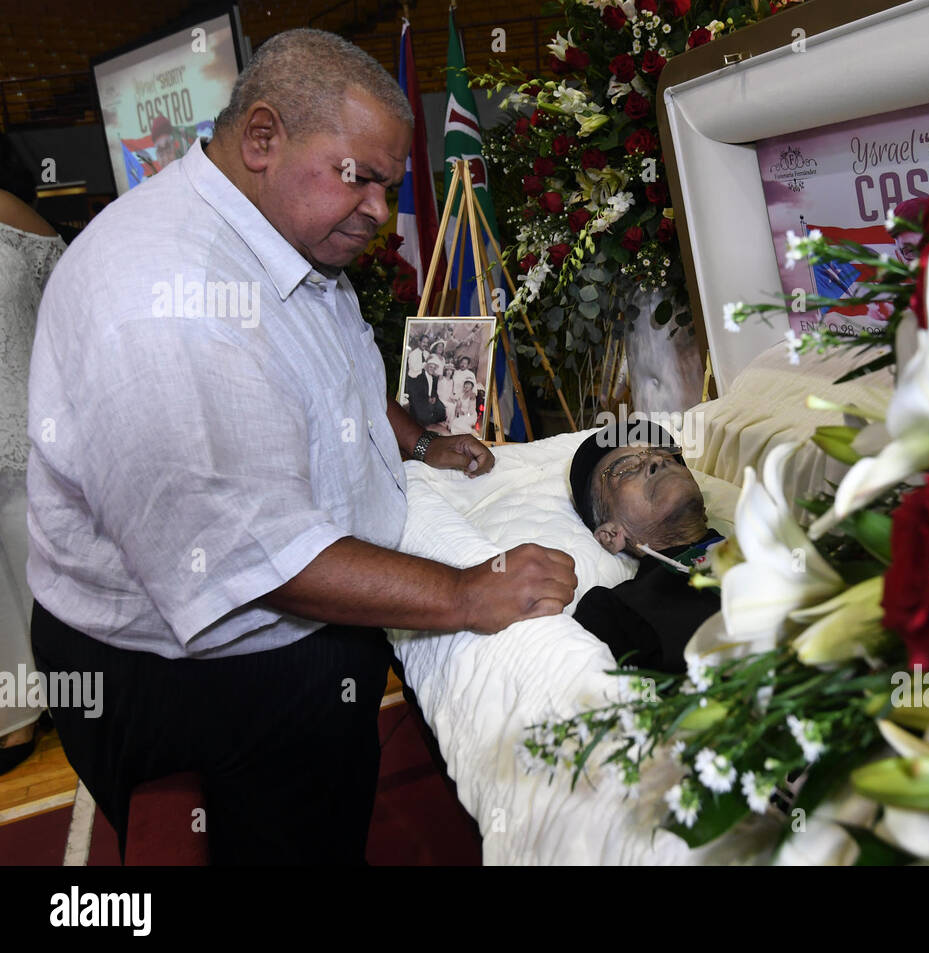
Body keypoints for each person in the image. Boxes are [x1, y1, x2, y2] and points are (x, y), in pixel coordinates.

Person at [25, 29, 576, 863]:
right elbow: (256, 558)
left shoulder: (278, 223)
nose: (380, 213)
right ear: (261, 138)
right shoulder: (167, 307)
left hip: (295, 627)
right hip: (195, 672)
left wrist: (416, 440)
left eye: (389, 187)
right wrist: (469, 591)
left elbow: (331, 371)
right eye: (361, 179)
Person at [0, 135, 66, 774]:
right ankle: (13, 717)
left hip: (22, 424)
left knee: (30, 565)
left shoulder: (13, 215)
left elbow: (66, 291)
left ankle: (58, 702)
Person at [568, 421, 723, 674]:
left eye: (665, 455)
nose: (658, 461)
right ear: (611, 534)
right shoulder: (616, 613)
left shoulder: (778, 542)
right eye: (627, 468)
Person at [407, 355, 447, 428]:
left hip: (430, 397)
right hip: (421, 397)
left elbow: (434, 389)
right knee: (424, 413)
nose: (432, 369)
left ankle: (434, 424)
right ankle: (424, 424)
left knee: (441, 408)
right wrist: (427, 398)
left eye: (434, 368)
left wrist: (434, 397)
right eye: (430, 367)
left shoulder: (434, 378)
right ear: (427, 367)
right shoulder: (420, 376)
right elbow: (418, 391)